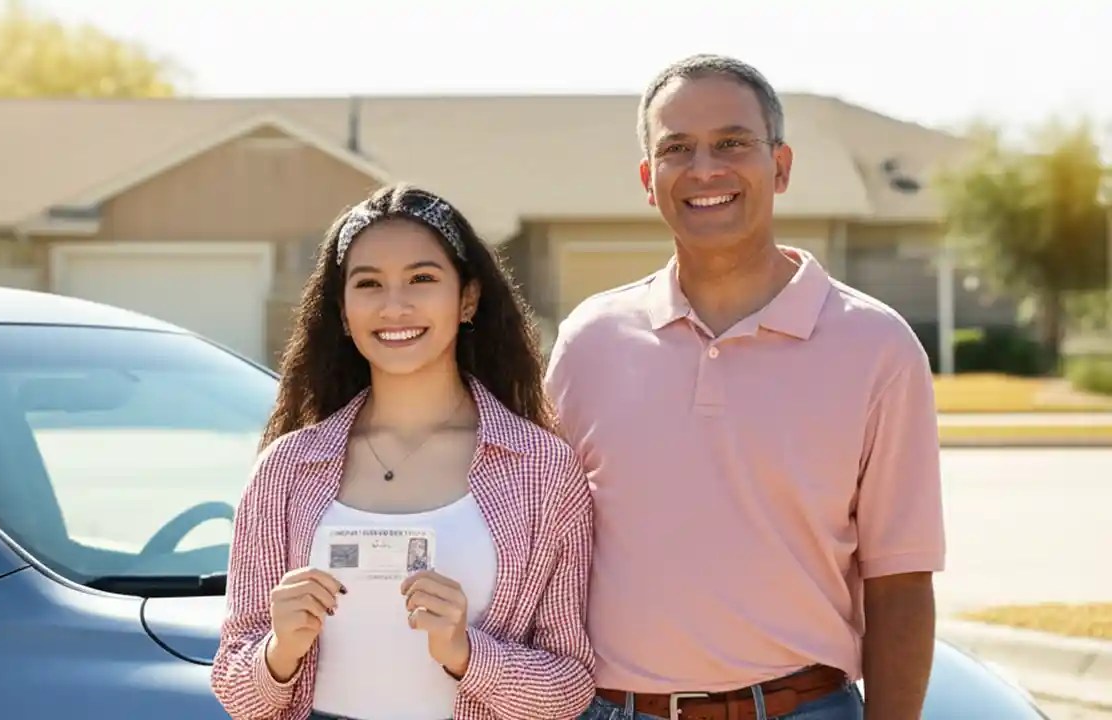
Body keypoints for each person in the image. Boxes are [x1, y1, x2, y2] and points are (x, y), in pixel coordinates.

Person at [546, 55, 945, 720]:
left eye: (732, 143)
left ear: (780, 166)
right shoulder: (588, 343)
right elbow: (540, 553)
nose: (705, 170)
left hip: (803, 708)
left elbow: (900, 582)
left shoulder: (879, 349)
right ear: (650, 179)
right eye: (678, 148)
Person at [211, 183, 596, 720]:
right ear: (343, 313)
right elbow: (236, 690)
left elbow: (570, 686)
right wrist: (278, 652)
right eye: (369, 284)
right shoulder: (287, 469)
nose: (395, 306)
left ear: (468, 298)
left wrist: (468, 653)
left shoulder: (542, 469)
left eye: (422, 279)